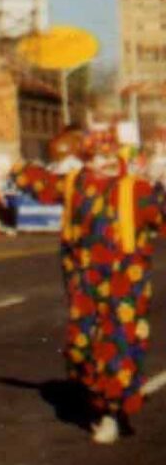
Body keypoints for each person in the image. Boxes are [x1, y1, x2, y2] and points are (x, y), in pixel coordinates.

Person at [15, 130, 164, 444]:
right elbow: (40, 184)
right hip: (85, 285)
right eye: (96, 156)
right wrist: (16, 170)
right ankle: (98, 404)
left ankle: (109, 414)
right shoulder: (73, 184)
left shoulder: (136, 189)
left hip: (124, 288)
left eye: (108, 155)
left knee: (115, 348)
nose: (103, 162)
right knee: (82, 348)